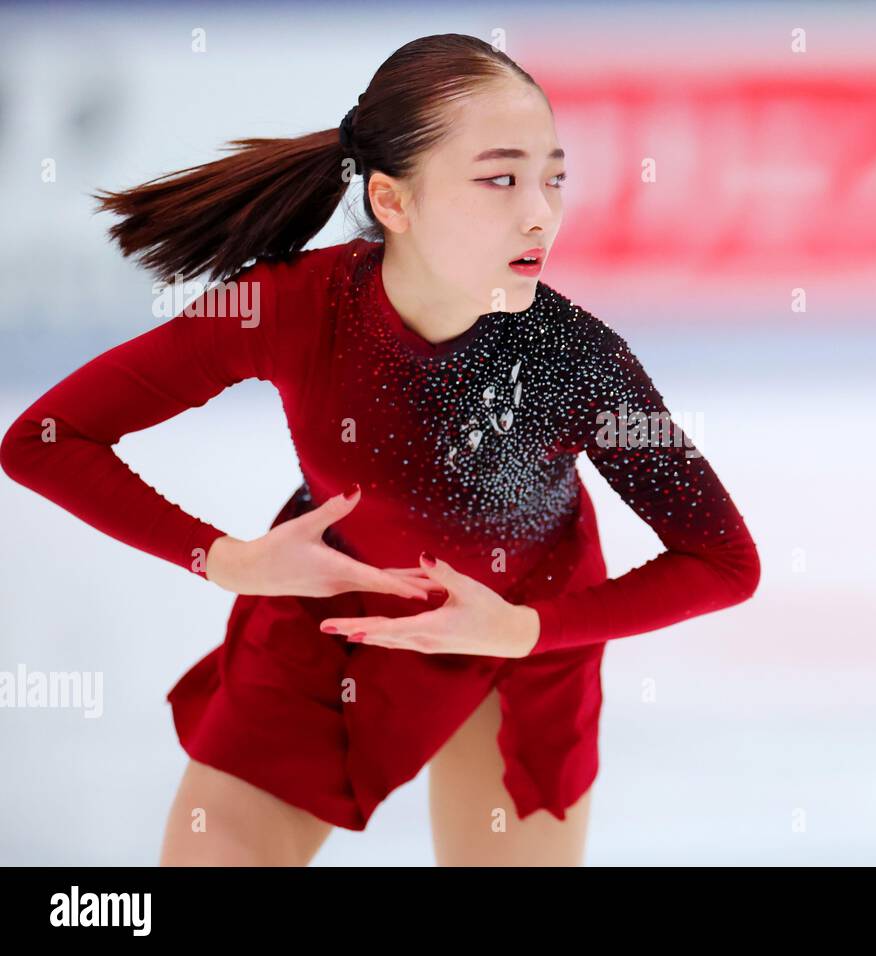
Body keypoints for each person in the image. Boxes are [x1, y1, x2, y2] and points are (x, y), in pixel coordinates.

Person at [0, 33, 760, 867]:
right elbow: (44, 439)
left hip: (523, 640)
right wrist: (224, 559)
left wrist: (524, 630)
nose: (541, 210)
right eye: (501, 178)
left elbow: (723, 561)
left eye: (553, 176)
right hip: (329, 624)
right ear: (393, 202)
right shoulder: (289, 308)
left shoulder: (576, 360)